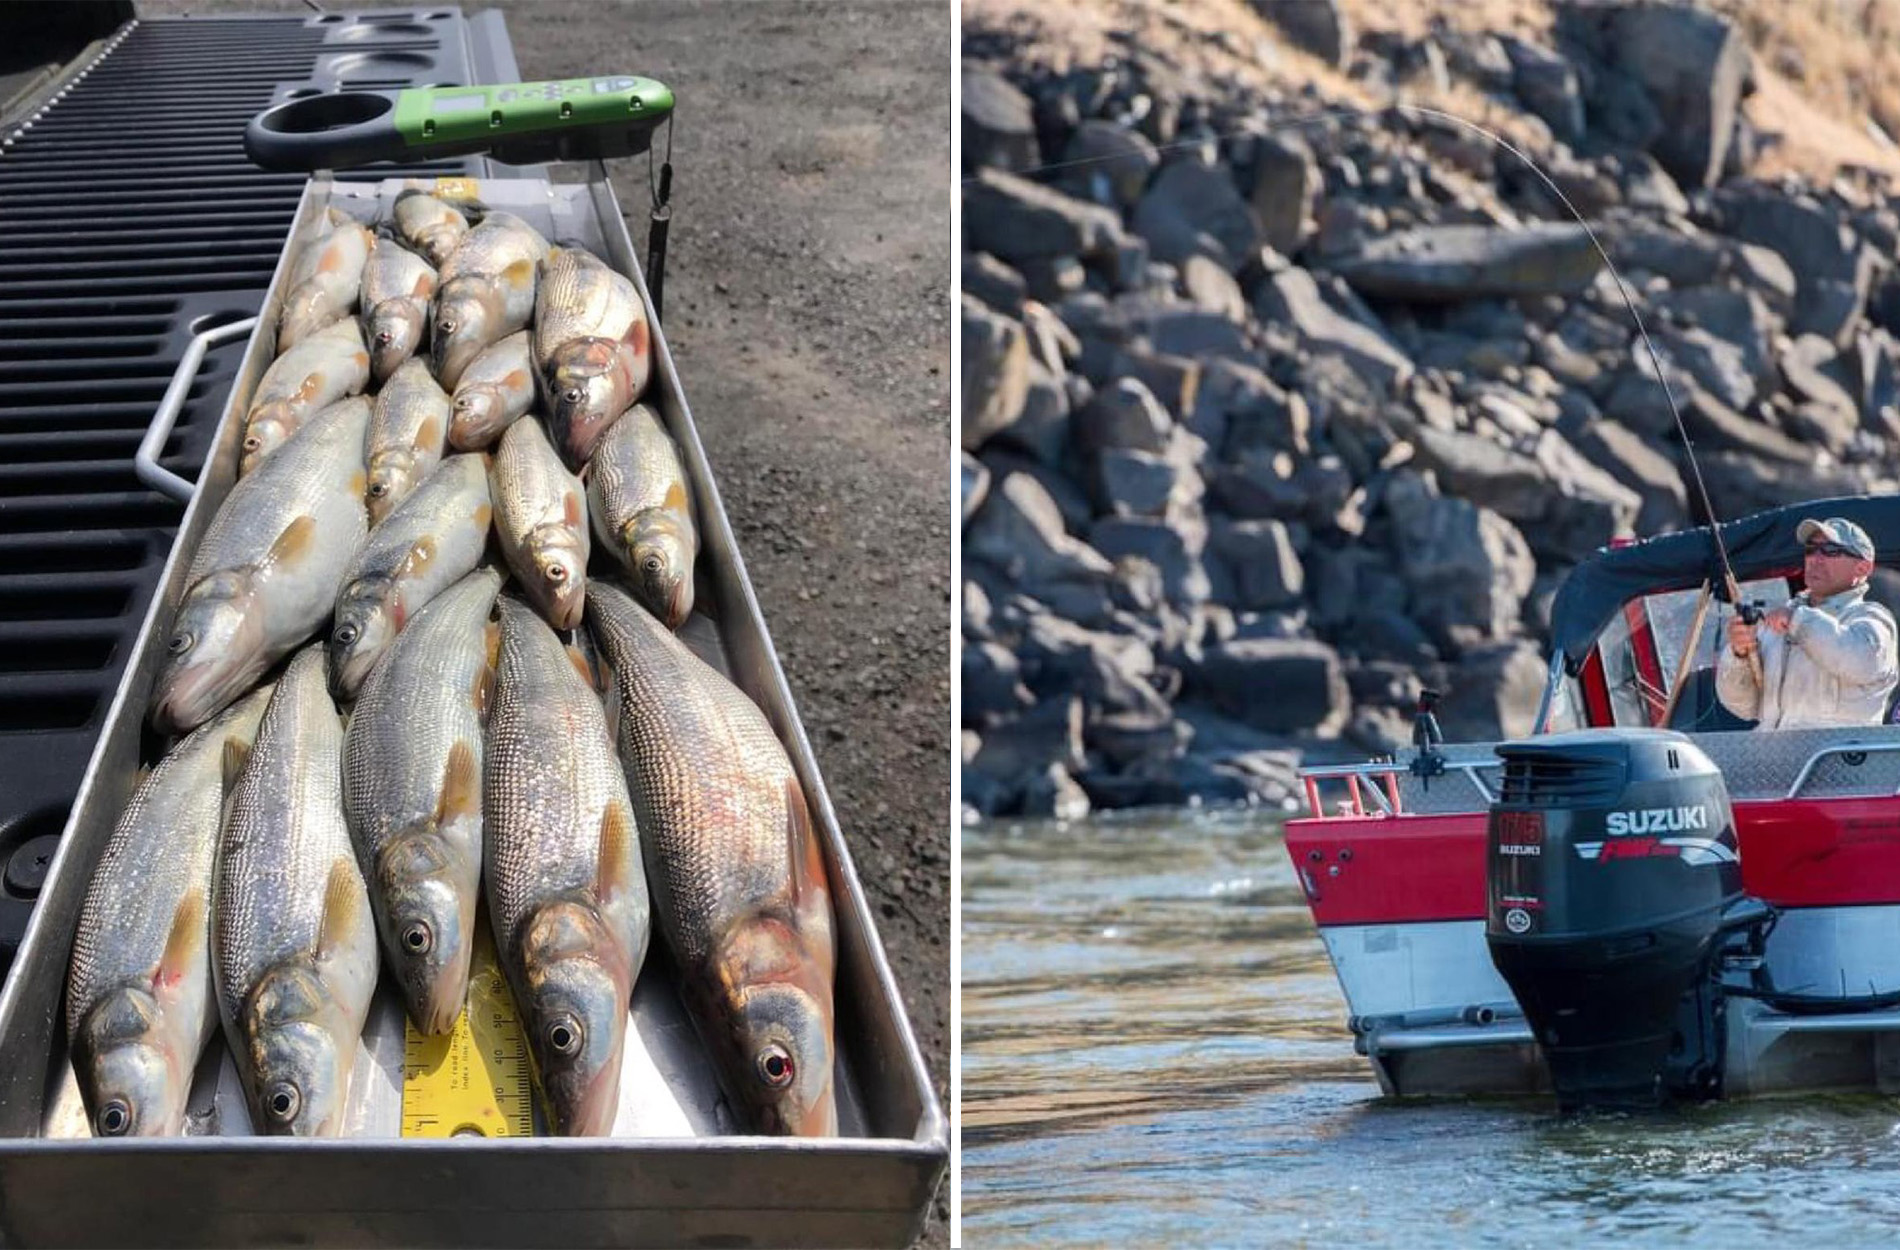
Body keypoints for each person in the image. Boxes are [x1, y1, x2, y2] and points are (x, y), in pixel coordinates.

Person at [1717, 517, 1898, 729]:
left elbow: (1863, 662)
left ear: (1863, 568)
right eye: (1811, 549)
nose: (1815, 558)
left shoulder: (1872, 620)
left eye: (1830, 550)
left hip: (1837, 758)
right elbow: (1743, 706)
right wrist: (1739, 654)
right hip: (1772, 758)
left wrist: (1799, 621)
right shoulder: (1779, 623)